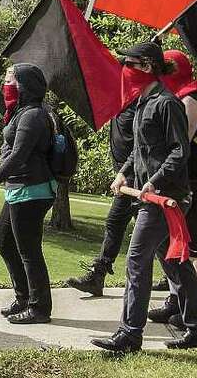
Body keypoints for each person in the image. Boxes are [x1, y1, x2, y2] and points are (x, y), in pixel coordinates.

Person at [91, 42, 197, 352]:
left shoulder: (166, 103)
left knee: (136, 259)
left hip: (165, 198)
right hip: (151, 195)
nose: (124, 69)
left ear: (146, 66)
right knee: (175, 264)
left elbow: (179, 150)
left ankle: (130, 334)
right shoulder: (144, 102)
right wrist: (124, 173)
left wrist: (154, 182)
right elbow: (139, 149)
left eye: (129, 64)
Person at [0, 61, 57, 324]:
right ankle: (24, 297)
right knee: (4, 242)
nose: (6, 83)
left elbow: (19, 154)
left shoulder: (33, 115)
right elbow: (8, 119)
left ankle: (39, 308)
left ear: (24, 86)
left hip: (32, 190)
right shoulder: (23, 112)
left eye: (11, 79)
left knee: (29, 251)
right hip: (20, 189)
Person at [145, 50, 197, 332]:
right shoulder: (185, 97)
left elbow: (178, 147)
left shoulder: (190, 102)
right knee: (175, 243)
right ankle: (177, 300)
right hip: (187, 182)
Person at [63, 65, 150, 298]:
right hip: (126, 177)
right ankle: (98, 274)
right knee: (130, 227)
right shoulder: (120, 103)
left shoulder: (139, 107)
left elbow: (141, 147)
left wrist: (124, 171)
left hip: (137, 178)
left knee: (127, 226)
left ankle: (98, 274)